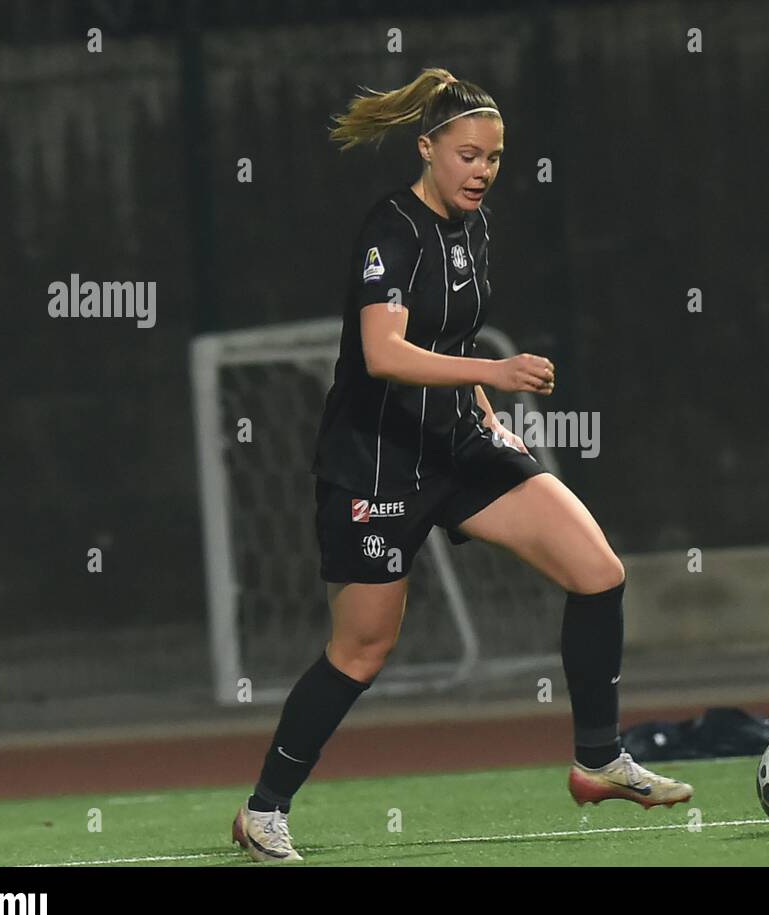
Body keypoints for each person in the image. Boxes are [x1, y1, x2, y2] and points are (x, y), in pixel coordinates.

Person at [232, 66, 693, 863]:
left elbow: (450, 337)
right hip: (375, 463)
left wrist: (485, 415)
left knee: (598, 571)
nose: (482, 171)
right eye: (468, 156)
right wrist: (496, 378)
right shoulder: (390, 229)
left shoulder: (473, 226)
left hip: (456, 445)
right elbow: (382, 353)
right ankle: (263, 810)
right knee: (362, 650)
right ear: (427, 148)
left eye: (495, 158)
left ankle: (597, 758)